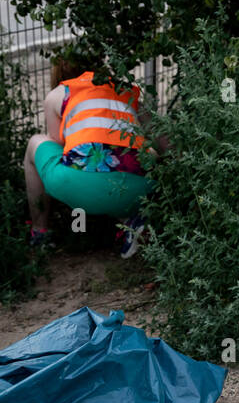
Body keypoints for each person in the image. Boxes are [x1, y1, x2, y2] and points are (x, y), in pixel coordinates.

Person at [23, 58, 165, 257]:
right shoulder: (126, 92)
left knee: (40, 144)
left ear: (60, 76)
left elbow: (59, 145)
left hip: (81, 185)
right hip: (139, 189)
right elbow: (164, 141)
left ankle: (42, 233)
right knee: (131, 156)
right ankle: (131, 222)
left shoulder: (58, 94)